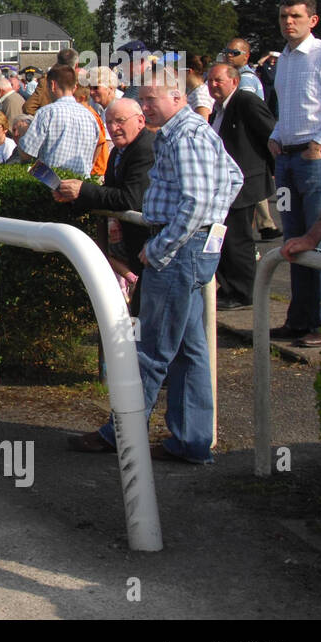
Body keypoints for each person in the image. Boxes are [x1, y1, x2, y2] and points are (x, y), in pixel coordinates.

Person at [70, 71, 242, 463]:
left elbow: (197, 202)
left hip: (179, 249)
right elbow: (234, 178)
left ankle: (121, 433)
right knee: (189, 349)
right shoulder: (187, 131)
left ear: (177, 96)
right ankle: (192, 442)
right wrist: (209, 225)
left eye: (150, 99)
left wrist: (163, 244)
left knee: (152, 349)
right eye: (141, 100)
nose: (144, 107)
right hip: (191, 247)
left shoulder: (186, 136)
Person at [265, 0, 321, 346]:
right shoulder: (285, 61)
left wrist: (320, 144)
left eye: (295, 16)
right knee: (293, 237)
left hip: (314, 158)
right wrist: (276, 135)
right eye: (283, 17)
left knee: (319, 237)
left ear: (313, 20)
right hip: (289, 157)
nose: (288, 22)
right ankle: (300, 317)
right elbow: (287, 108)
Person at [53, 97, 155, 309]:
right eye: (109, 123)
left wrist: (83, 190)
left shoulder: (145, 148)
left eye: (120, 121)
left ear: (140, 121)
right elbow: (109, 194)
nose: (114, 128)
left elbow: (130, 198)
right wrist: (74, 198)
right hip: (133, 245)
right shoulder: (119, 150)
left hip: (150, 243)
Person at [206, 63, 275, 310]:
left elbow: (270, 133)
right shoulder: (218, 109)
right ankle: (229, 287)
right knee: (225, 236)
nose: (213, 85)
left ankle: (243, 292)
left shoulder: (245, 101)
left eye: (218, 81)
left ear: (234, 82)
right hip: (225, 183)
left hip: (246, 180)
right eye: (210, 81)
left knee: (238, 238)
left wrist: (273, 169)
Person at [16, 65, 100, 176]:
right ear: (74, 87)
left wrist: (23, 133)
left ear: (53, 85)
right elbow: (96, 148)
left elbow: (26, 153)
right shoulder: (90, 116)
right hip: (82, 184)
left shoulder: (47, 113)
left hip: (52, 183)